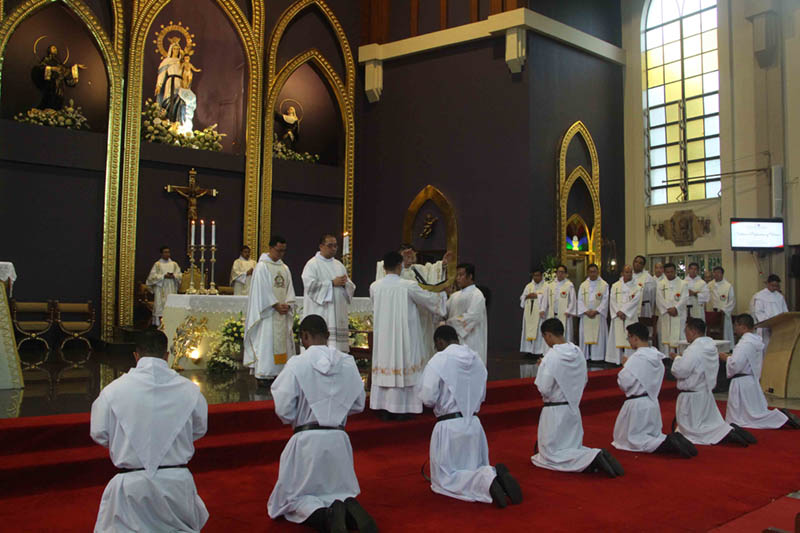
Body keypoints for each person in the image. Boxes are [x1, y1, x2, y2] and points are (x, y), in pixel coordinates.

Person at [90, 328, 209, 532]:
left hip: (132, 488)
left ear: (136, 356)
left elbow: (100, 433)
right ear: (167, 355)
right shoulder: (190, 391)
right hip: (176, 486)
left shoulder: (113, 391)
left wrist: (128, 443)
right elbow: (199, 430)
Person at [268, 315, 376, 533]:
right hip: (339, 440)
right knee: (336, 492)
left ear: (304, 336)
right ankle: (347, 506)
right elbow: (357, 404)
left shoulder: (297, 363)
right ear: (327, 336)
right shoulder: (347, 362)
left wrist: (297, 417)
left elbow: (284, 408)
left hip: (307, 441)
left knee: (292, 500)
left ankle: (326, 517)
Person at [418, 325, 523, 508]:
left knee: (445, 479)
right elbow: (481, 395)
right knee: (470, 468)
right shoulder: (477, 359)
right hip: (474, 424)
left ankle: (488, 479)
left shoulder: (439, 360)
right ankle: (492, 476)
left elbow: (427, 398)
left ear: (439, 341)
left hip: (449, 427)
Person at [531, 318, 624, 477]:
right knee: (571, 446)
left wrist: (542, 367)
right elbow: (584, 379)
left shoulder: (551, 357)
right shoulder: (577, 352)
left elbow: (545, 388)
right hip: (573, 408)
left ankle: (592, 457)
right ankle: (592, 456)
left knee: (549, 455)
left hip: (554, 411)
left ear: (548, 335)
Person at [369, 251, 446, 417]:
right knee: (405, 361)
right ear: (400, 266)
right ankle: (405, 408)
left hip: (384, 337)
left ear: (384, 267)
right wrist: (442, 293)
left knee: (386, 364)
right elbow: (431, 301)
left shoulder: (374, 287)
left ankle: (383, 407)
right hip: (405, 336)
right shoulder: (408, 285)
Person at [612, 323, 697, 458]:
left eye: (629, 337)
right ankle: (671, 440)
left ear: (635, 338)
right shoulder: (656, 356)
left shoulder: (636, 358)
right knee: (648, 436)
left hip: (637, 405)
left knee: (634, 441)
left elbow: (625, 383)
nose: (628, 341)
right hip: (652, 402)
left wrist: (625, 366)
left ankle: (668, 444)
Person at [668, 318, 754, 446]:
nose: (685, 334)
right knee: (707, 425)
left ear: (692, 331)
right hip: (704, 392)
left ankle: (727, 434)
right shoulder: (710, 346)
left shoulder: (694, 349)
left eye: (686, 331)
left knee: (695, 431)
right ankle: (729, 432)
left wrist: (677, 359)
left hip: (693, 395)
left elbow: (681, 370)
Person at [719, 314, 800, 429]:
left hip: (742, 382)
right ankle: (780, 417)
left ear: (743, 326)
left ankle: (780, 417)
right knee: (752, 412)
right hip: (750, 380)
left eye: (736, 325)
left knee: (748, 417)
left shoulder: (745, 343)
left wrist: (725, 358)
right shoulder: (754, 341)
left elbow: (736, 364)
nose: (735, 329)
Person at [375, 244, 451, 364]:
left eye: (412, 255)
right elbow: (425, 297)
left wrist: (442, 265)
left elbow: (430, 276)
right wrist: (442, 296)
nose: (410, 258)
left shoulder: (417, 269)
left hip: (419, 318)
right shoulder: (404, 282)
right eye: (406, 256)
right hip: (405, 319)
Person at [243, 236, 296, 383]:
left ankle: (281, 373)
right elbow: (262, 290)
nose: (280, 254)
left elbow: (290, 289)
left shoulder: (285, 268)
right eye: (278, 250)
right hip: (268, 314)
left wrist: (288, 303)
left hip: (282, 313)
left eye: (283, 251)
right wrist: (275, 305)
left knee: (282, 341)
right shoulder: (262, 266)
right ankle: (265, 374)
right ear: (270, 248)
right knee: (267, 342)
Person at [301, 234, 356, 352]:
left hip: (337, 314)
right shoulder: (312, 264)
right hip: (322, 312)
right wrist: (331, 283)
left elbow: (350, 286)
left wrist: (345, 283)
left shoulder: (339, 265)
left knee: (337, 350)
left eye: (335, 246)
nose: (334, 249)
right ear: (321, 246)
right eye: (330, 245)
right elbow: (310, 286)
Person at [444, 263, 488, 365]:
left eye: (461, 275)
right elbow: (444, 312)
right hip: (454, 340)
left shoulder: (477, 295)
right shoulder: (454, 295)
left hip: (470, 338)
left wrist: (449, 324)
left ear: (470, 276)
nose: (458, 278)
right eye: (457, 275)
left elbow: (472, 317)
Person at [605, 265, 643, 365]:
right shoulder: (615, 286)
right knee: (617, 336)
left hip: (629, 316)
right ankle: (616, 359)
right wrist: (618, 311)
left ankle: (630, 359)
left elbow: (634, 301)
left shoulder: (637, 287)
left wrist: (624, 311)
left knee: (630, 336)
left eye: (630, 272)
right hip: (617, 316)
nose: (628, 274)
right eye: (626, 272)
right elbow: (612, 300)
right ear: (622, 273)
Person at [577, 264, 609, 364]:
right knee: (585, 335)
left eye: (594, 271)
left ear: (598, 272)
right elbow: (580, 300)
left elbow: (605, 300)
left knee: (598, 336)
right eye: (590, 272)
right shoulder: (583, 285)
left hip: (598, 315)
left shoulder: (604, 285)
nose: (592, 274)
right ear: (587, 272)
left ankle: (597, 356)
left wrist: (597, 310)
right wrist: (586, 311)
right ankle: (586, 356)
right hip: (586, 314)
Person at [655, 263, 688, 354]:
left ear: (675, 271)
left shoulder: (683, 284)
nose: (669, 274)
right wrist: (668, 309)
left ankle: (679, 356)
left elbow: (684, 298)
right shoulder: (660, 284)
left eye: (671, 272)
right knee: (666, 336)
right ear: (664, 272)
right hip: (666, 315)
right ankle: (666, 357)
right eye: (667, 272)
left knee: (679, 335)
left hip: (678, 315)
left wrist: (676, 308)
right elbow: (659, 299)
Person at [749, 274, 789, 347]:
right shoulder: (760, 296)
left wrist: (782, 321)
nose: (774, 288)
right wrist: (769, 322)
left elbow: (785, 311)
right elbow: (758, 312)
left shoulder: (780, 297)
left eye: (776, 286)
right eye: (772, 285)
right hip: (766, 327)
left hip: (778, 326)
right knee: (766, 346)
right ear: (767, 283)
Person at [146, 245, 182, 326]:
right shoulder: (157, 264)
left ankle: (171, 324)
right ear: (161, 254)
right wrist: (163, 276)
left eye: (168, 252)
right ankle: (159, 325)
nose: (167, 254)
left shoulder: (174, 264)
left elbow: (179, 275)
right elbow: (151, 278)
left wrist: (174, 276)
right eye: (165, 252)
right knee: (160, 306)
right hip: (161, 288)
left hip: (171, 287)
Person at [520, 268, 549, 357]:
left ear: (541, 276)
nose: (536, 277)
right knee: (527, 330)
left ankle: (538, 351)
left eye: (538, 275)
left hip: (539, 313)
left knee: (538, 331)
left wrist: (537, 296)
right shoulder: (529, 286)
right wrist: (527, 296)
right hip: (529, 312)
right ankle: (528, 350)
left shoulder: (546, 286)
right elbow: (522, 298)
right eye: (534, 275)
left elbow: (546, 299)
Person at [546, 265, 577, 343]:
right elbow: (546, 299)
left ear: (566, 274)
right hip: (553, 314)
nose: (560, 274)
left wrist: (569, 311)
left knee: (564, 334)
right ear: (556, 273)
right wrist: (544, 310)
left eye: (562, 272)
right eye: (559, 272)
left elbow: (573, 300)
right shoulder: (551, 285)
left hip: (565, 314)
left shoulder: (569, 285)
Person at [707, 266, 735, 344]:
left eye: (718, 273)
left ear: (722, 274)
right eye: (715, 273)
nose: (716, 274)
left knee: (725, 333)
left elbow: (732, 301)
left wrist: (724, 310)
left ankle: (726, 348)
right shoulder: (709, 285)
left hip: (723, 314)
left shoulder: (728, 286)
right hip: (711, 315)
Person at [632, 255, 657, 323]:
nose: (637, 264)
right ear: (633, 263)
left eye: (640, 263)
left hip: (644, 307)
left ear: (643, 266)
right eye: (636, 262)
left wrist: (649, 307)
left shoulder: (648, 278)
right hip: (631, 308)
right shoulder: (629, 276)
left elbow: (653, 295)